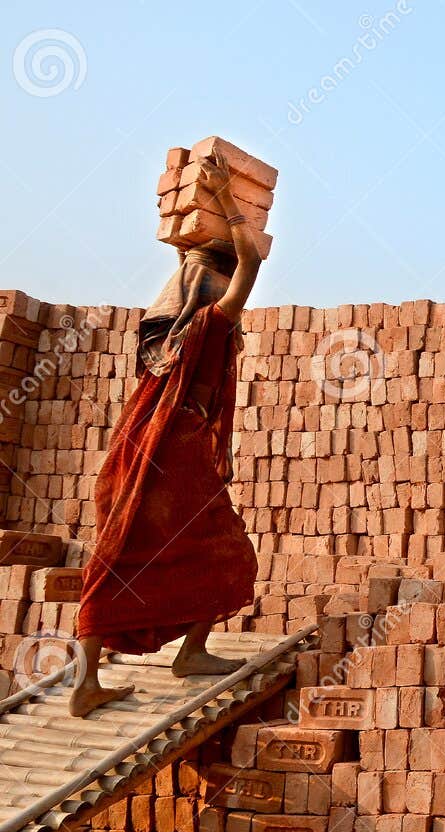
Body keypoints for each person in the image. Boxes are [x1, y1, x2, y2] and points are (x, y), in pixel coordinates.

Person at [71, 156, 262, 716]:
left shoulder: (164, 339)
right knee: (230, 554)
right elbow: (251, 259)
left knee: (118, 557)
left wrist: (189, 229)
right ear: (212, 291)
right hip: (177, 454)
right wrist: (224, 198)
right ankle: (191, 653)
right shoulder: (211, 323)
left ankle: (86, 683)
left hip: (133, 451)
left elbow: (191, 264)